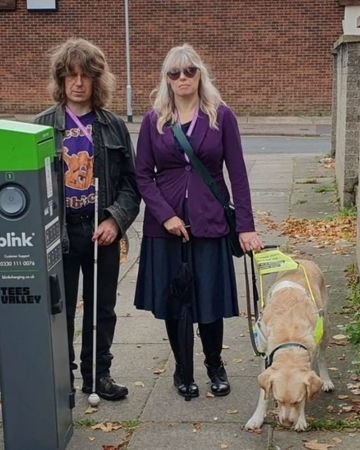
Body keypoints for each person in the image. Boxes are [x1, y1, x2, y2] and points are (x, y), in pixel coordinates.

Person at [133, 44, 263, 399]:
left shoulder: (221, 116)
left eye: (189, 71)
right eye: (174, 73)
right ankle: (182, 368)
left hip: (210, 221)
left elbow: (238, 174)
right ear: (167, 79)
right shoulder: (153, 120)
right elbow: (143, 174)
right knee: (174, 301)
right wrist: (166, 215)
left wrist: (246, 226)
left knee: (209, 297)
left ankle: (214, 365)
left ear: (199, 74)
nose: (182, 78)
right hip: (166, 228)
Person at [35, 38, 140, 401]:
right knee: (59, 310)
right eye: (71, 75)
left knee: (102, 309)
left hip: (100, 232)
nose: (78, 83)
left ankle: (98, 376)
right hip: (59, 236)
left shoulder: (113, 126)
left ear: (97, 80)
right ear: (61, 79)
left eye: (85, 76)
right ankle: (61, 379)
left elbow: (131, 184)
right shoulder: (42, 127)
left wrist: (115, 221)